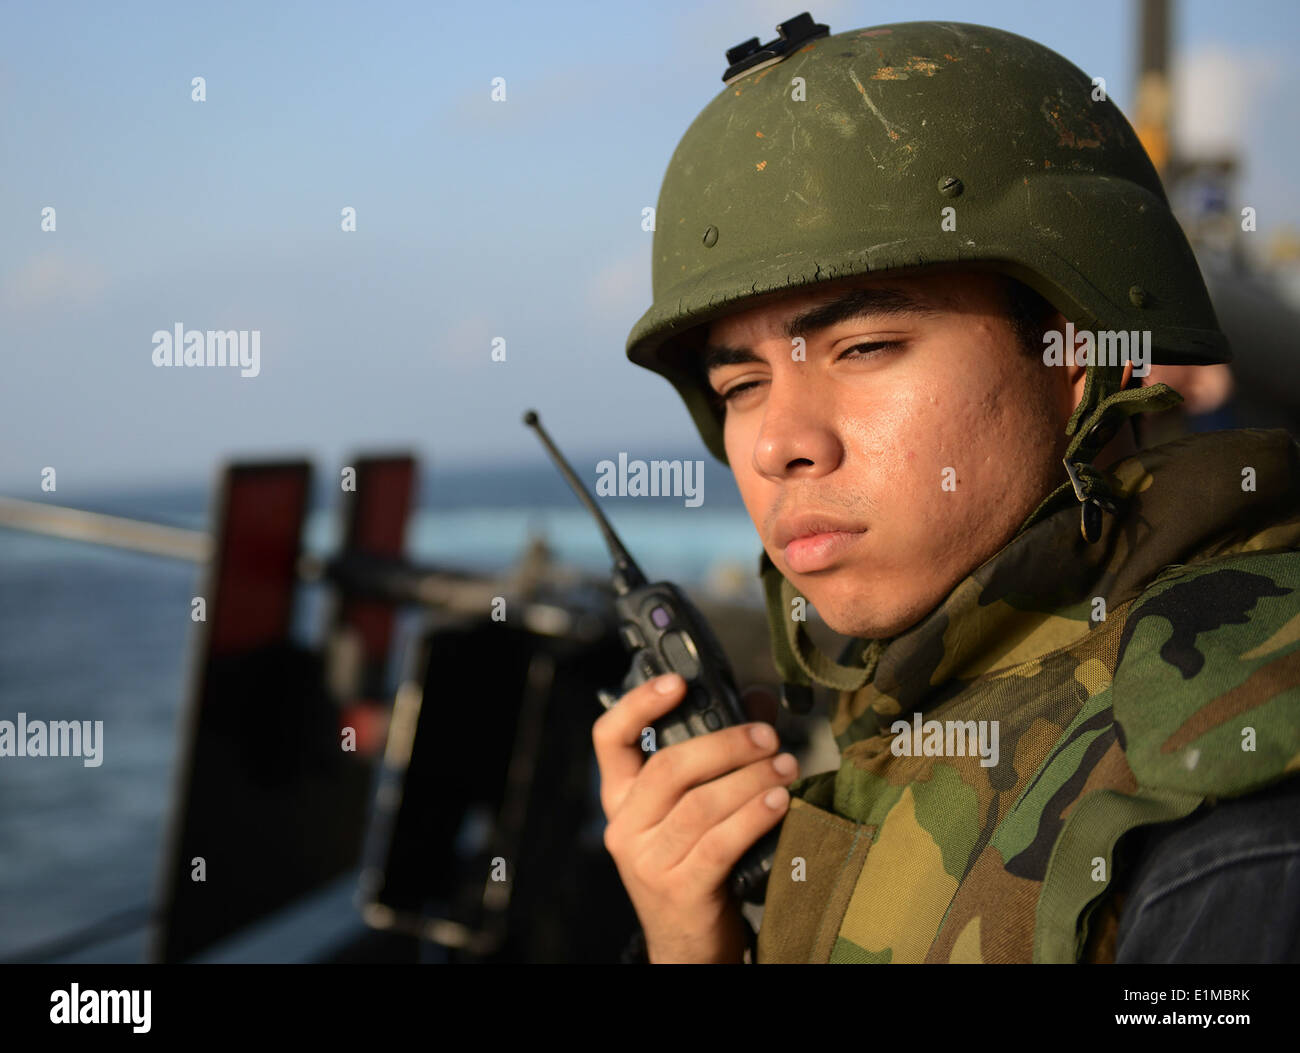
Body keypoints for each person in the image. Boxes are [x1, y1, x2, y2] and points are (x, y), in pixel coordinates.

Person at [592, 16, 1300, 964]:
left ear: (1075, 353)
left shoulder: (1228, 778)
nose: (782, 445)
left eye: (867, 347)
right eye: (740, 385)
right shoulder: (925, 699)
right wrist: (695, 944)